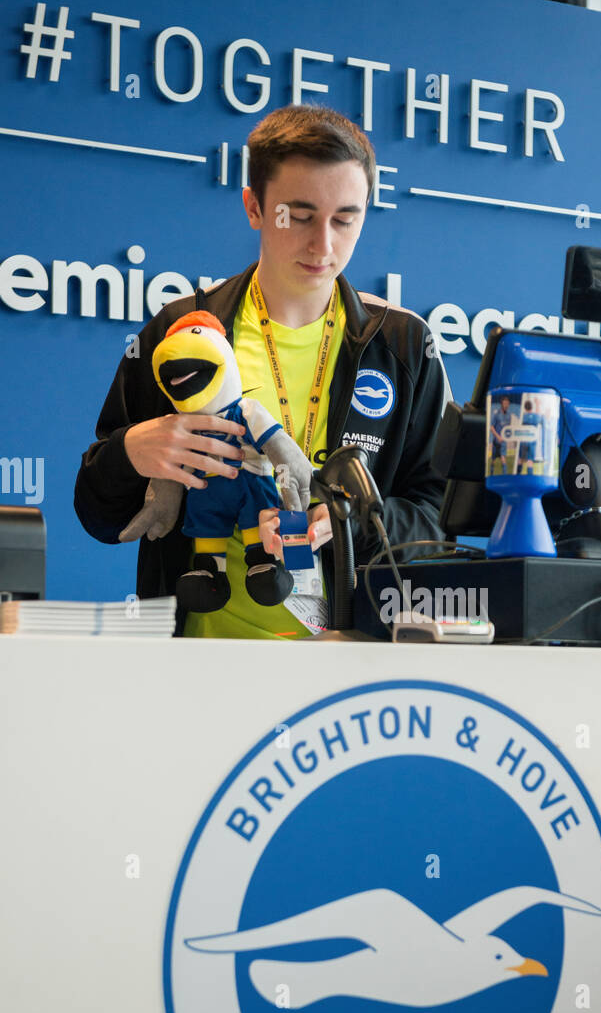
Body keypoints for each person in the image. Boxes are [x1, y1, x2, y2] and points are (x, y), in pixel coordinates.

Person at [74, 105, 451, 638]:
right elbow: (98, 513)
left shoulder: (403, 344)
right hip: (204, 663)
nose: (324, 244)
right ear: (255, 207)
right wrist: (133, 451)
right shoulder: (182, 332)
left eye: (346, 219)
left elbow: (441, 516)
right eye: (298, 216)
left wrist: (352, 522)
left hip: (355, 670)